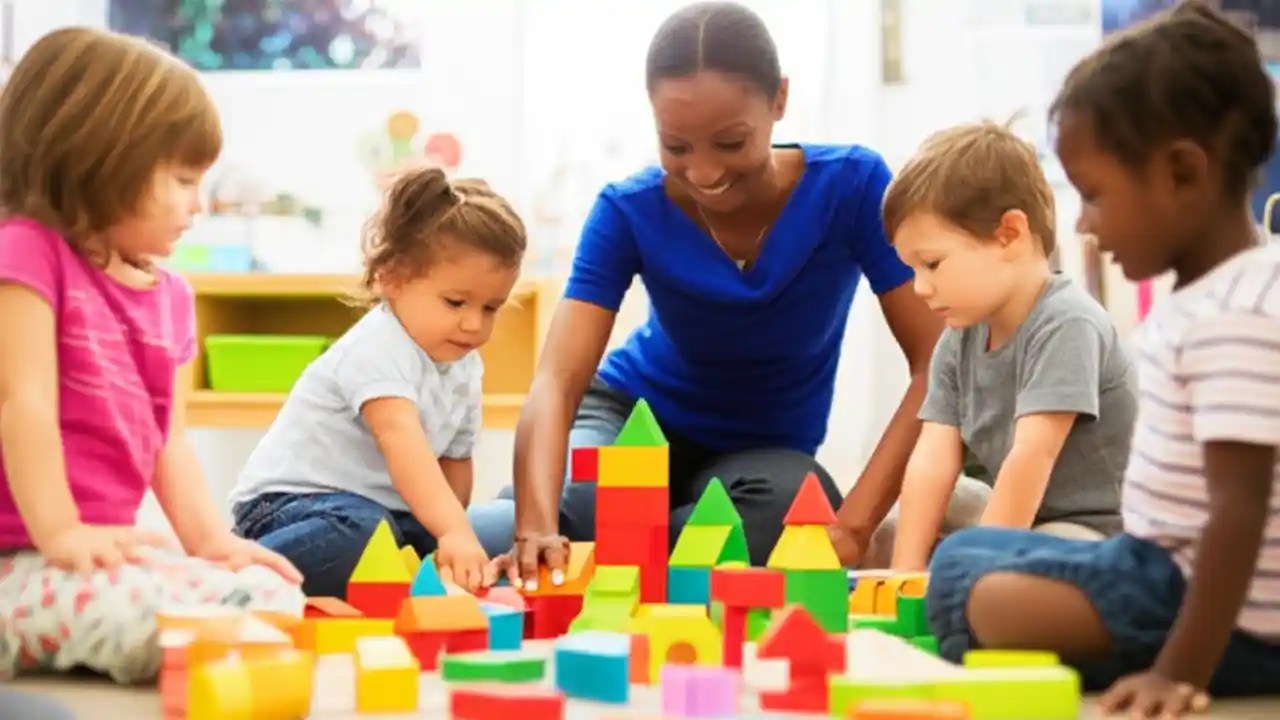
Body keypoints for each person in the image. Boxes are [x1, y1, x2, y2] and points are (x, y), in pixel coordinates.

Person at [469, 0, 942, 584]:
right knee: (569, 510)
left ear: (780, 100)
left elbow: (936, 362)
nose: (704, 172)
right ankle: (504, 529)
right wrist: (536, 526)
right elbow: (557, 381)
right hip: (628, 416)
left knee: (792, 509)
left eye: (730, 142)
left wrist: (855, 526)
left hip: (760, 458)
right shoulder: (627, 209)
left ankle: (622, 545)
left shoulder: (853, 186)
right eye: (676, 147)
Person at [926, 3, 1280, 717]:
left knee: (967, 590)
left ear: (1183, 172)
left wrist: (1179, 672)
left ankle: (1204, 655)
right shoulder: (1218, 291)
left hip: (1193, 599)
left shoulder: (1233, 314)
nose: (1084, 223)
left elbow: (1238, 510)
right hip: (1152, 564)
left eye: (1094, 195)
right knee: (965, 560)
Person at [0, 28, 301, 684]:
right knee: (156, 624)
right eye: (184, 180)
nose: (198, 204)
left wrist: (214, 545)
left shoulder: (171, 298)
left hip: (99, 553)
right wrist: (60, 533)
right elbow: (24, 403)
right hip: (18, 557)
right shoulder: (27, 252)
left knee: (271, 595)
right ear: (102, 162)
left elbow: (169, 440)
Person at [230, 167, 526, 597]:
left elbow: (455, 461)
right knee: (367, 535)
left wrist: (449, 541)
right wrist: (453, 533)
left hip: (388, 512)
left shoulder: (464, 364)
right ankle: (235, 575)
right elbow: (401, 440)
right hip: (290, 506)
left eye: (491, 308)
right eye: (455, 302)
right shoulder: (378, 346)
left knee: (503, 527)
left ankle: (397, 572)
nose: (473, 324)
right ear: (391, 277)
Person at [875, 120, 1135, 571]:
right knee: (897, 528)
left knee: (1017, 570)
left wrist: (981, 569)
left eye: (932, 264)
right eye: (912, 269)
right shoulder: (959, 338)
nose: (919, 287)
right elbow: (933, 460)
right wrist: (905, 575)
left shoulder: (1067, 323)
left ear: (1009, 233)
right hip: (1022, 515)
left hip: (1093, 533)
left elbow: (1032, 457)